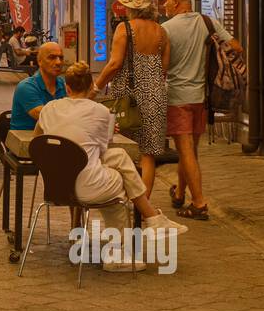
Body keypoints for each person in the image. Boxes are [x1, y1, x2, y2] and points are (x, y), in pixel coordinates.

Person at [37, 62, 188, 270]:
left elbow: (39, 140)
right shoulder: (100, 111)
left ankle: (152, 218)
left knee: (118, 157)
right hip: (85, 188)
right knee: (120, 180)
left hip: (56, 187)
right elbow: (100, 149)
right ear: (91, 87)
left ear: (67, 87)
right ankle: (120, 251)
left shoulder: (49, 108)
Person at [162, 0, 242, 221]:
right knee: (190, 150)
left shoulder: (165, 29)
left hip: (177, 97)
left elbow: (163, 66)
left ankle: (199, 203)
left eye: (166, 0)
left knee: (185, 151)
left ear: (176, 3)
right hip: (200, 97)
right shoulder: (207, 22)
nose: (164, 4)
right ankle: (179, 193)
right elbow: (236, 47)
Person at [93, 0, 169, 201]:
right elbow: (164, 67)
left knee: (123, 150)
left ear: (130, 8)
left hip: (128, 97)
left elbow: (115, 63)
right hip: (155, 95)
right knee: (148, 154)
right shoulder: (161, 31)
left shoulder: (124, 28)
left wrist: (96, 86)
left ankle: (123, 199)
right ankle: (142, 206)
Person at [10, 41, 67, 130]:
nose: (58, 62)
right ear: (39, 61)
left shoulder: (62, 84)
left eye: (61, 57)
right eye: (52, 57)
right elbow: (47, 118)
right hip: (26, 140)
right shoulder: (26, 87)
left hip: (52, 137)